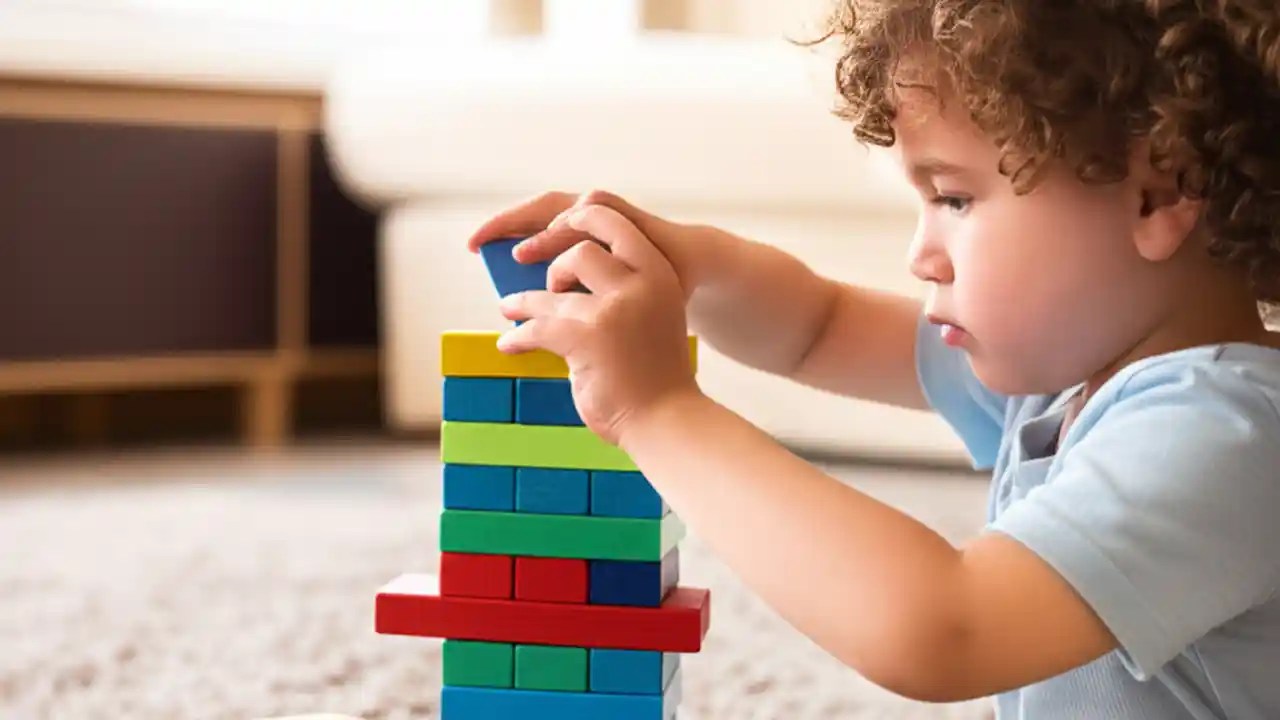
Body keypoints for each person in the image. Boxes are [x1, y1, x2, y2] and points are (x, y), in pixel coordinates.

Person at [465, 1, 1280, 717]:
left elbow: (942, 628)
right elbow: (817, 326)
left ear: (1159, 193)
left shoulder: (1224, 432)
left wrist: (655, 410)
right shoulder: (1072, 379)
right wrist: (688, 264)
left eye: (955, 199)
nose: (922, 253)